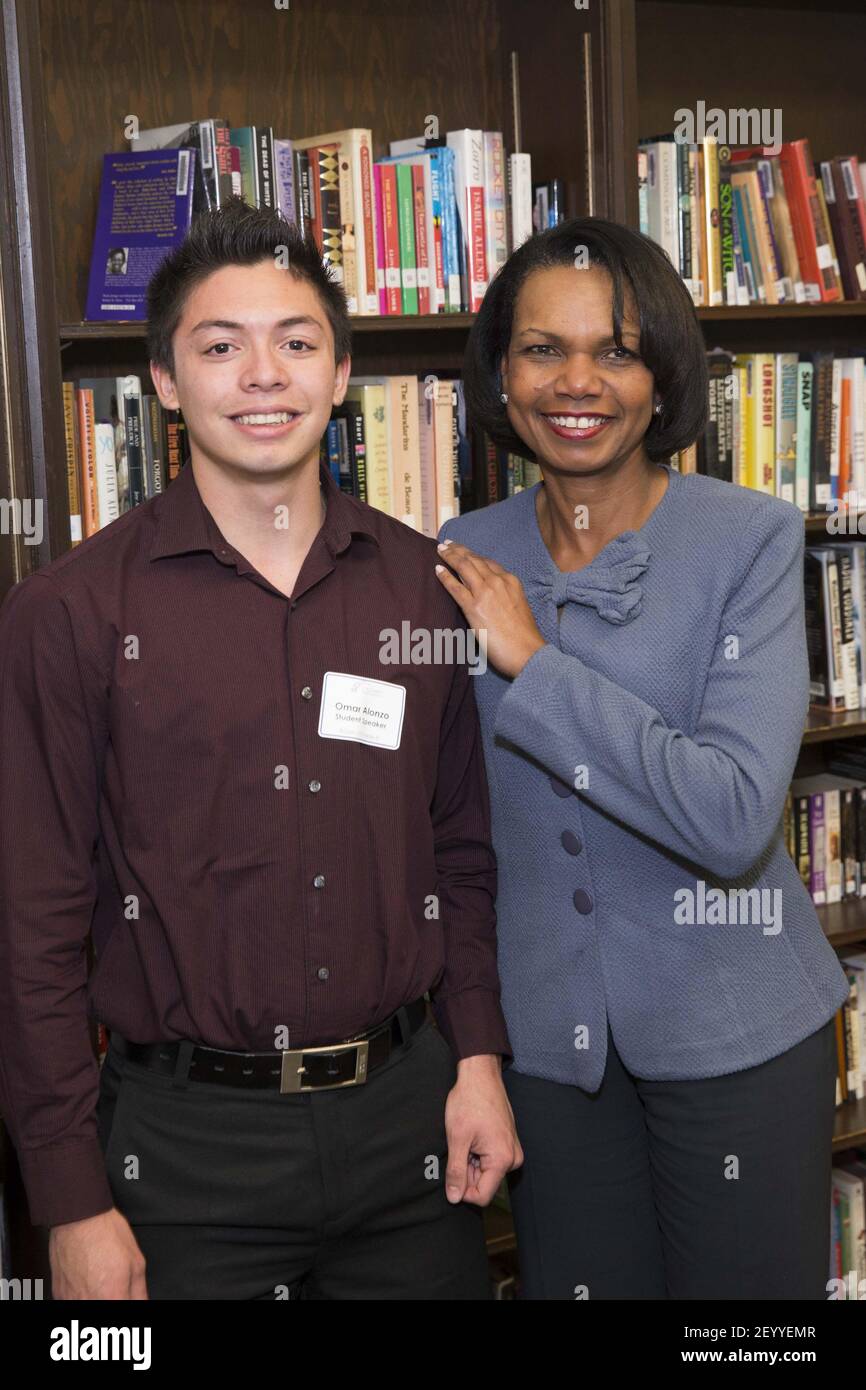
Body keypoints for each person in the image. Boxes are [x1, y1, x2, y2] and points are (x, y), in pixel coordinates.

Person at [0, 196, 522, 1301]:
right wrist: (70, 1199)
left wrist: (476, 1058)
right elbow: (32, 921)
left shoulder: (420, 582)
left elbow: (460, 855)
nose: (263, 375)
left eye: (295, 342)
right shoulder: (70, 613)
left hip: (409, 1129)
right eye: (220, 346)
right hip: (181, 1155)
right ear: (163, 382)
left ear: (339, 378)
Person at [435, 216, 851, 1300]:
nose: (577, 381)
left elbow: (726, 814)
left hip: (734, 1034)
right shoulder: (459, 549)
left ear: (660, 374)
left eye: (614, 349)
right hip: (547, 1050)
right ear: (499, 373)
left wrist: (531, 662)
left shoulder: (747, 540)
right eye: (541, 349)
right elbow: (444, 814)